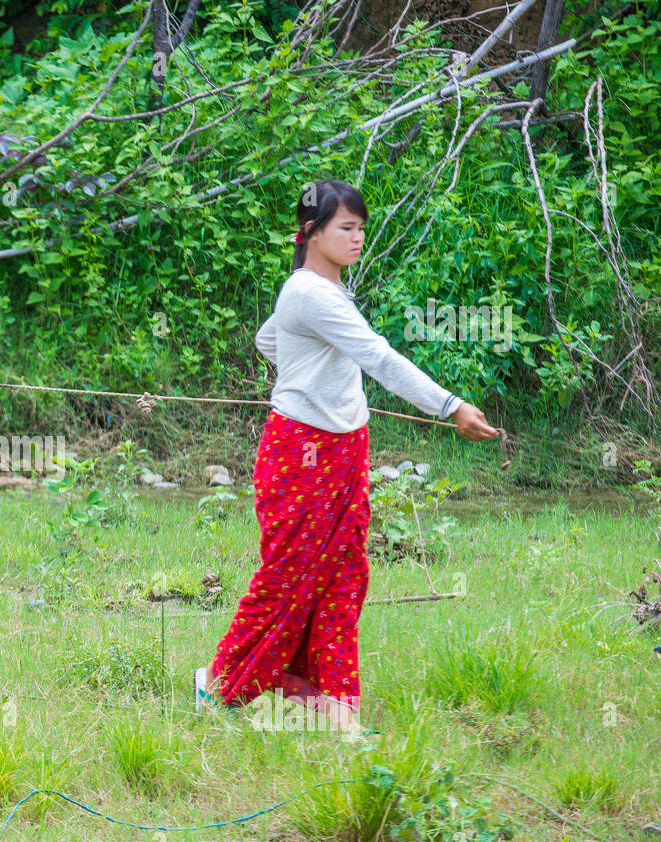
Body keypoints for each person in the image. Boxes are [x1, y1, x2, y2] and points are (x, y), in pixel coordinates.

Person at [193, 179, 500, 737]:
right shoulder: (310, 292)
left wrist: (309, 371)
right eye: (346, 228)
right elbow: (377, 357)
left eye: (360, 227)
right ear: (310, 233)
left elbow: (270, 340)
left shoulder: (320, 292)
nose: (358, 238)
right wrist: (450, 405)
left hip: (343, 451)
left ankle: (339, 711)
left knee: (343, 575)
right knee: (288, 576)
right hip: (300, 454)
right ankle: (216, 682)